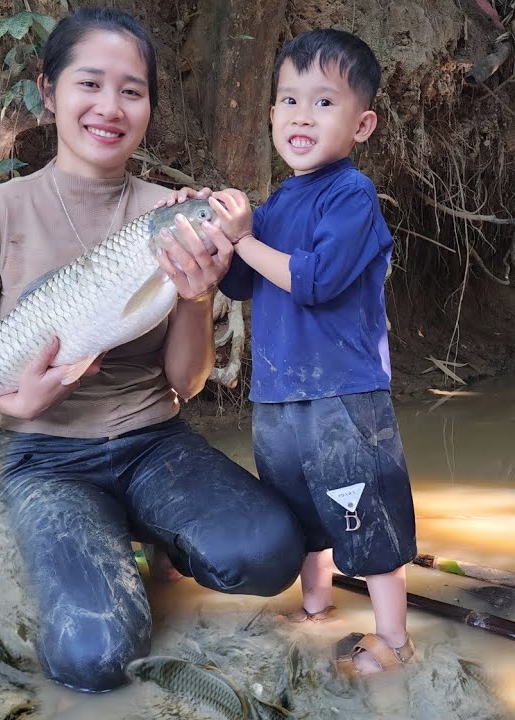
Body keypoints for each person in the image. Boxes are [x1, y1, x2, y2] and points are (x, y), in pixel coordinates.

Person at [0, 8, 305, 692]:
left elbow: (186, 383)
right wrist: (15, 401)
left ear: (149, 106)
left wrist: (196, 296)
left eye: (132, 91)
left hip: (153, 442)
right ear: (49, 91)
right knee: (94, 658)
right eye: (90, 84)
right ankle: (84, 537)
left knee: (272, 553)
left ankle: (152, 531)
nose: (110, 107)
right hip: (46, 458)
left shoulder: (171, 213)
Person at [211, 29, 416, 675]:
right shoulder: (273, 207)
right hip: (277, 398)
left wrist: (243, 240)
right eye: (290, 100)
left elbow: (316, 280)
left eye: (324, 102)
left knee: (367, 518)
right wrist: (216, 234)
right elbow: (240, 282)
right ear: (272, 113)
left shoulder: (351, 195)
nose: (302, 115)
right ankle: (316, 608)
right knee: (303, 514)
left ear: (362, 124)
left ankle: (396, 639)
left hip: (343, 396)